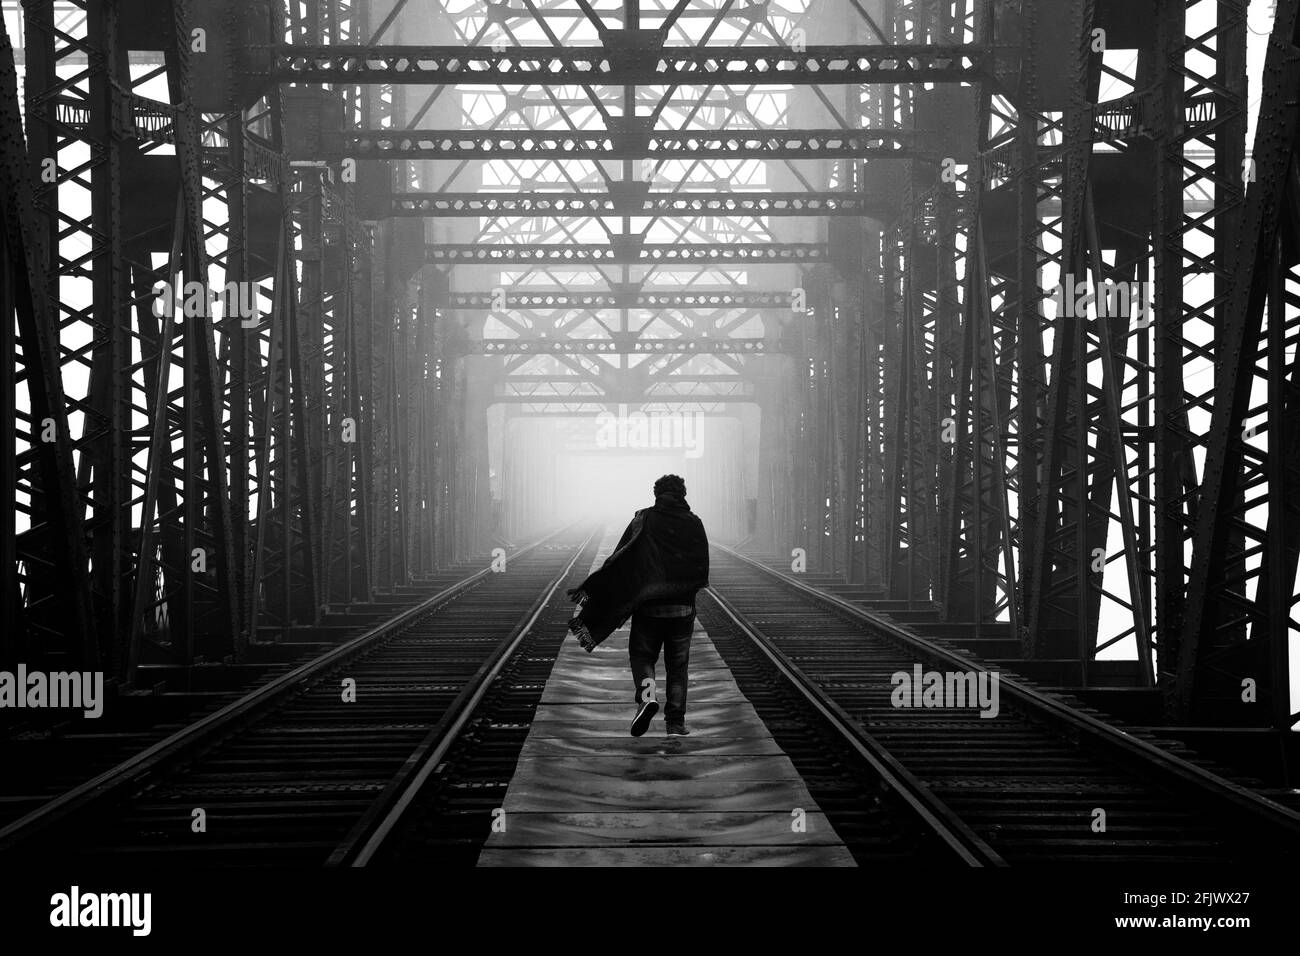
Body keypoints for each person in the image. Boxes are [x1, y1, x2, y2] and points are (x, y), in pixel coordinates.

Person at [566, 475, 710, 737]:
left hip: (648, 608)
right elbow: (702, 567)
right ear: (683, 494)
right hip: (682, 609)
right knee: (678, 668)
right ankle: (675, 724)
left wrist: (612, 588)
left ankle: (647, 698)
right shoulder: (694, 523)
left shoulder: (643, 520)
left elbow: (621, 557)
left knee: (643, 657)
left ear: (657, 495)